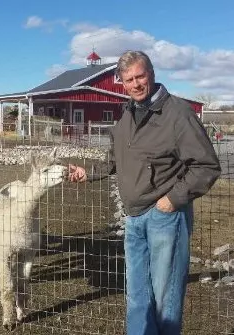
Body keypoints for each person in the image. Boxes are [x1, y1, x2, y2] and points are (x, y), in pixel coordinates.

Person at [68, 50, 221, 335]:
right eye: (129, 79)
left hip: (164, 217)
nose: (136, 84)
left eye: (140, 76)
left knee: (166, 299)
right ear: (121, 83)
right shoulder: (127, 116)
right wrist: (87, 172)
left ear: (151, 74)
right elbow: (114, 162)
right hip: (134, 219)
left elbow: (206, 166)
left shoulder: (177, 113)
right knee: (137, 297)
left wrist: (172, 200)